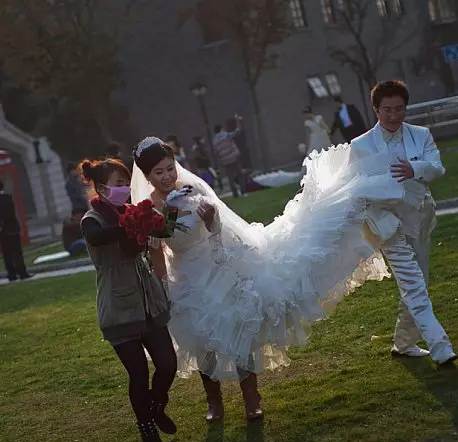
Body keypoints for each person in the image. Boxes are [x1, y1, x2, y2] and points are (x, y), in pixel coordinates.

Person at [130, 137, 395, 422]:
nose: (168, 176)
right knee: (202, 341)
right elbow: (158, 253)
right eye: (159, 172)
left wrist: (211, 221)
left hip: (218, 265)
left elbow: (221, 228)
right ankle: (214, 401)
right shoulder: (147, 210)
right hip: (186, 277)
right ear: (147, 176)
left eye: (170, 168)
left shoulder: (192, 191)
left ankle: (251, 398)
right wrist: (164, 286)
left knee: (241, 328)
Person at [349, 80, 457, 365]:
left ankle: (403, 343)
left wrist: (415, 169)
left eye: (399, 109)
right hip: (386, 223)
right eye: (387, 110)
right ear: (375, 109)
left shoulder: (421, 135)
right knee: (413, 283)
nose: (394, 116)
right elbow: (354, 188)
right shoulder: (360, 146)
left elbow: (437, 169)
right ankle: (441, 347)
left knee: (420, 278)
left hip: (420, 217)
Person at [79, 158, 176, 442]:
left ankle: (156, 407)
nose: (123, 188)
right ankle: (148, 434)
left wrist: (168, 217)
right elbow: (97, 237)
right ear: (101, 187)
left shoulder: (133, 212)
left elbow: (164, 232)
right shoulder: (92, 219)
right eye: (117, 183)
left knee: (167, 363)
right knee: (138, 374)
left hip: (147, 298)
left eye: (125, 182)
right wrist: (129, 224)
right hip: (119, 304)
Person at [0, 179, 31, 282]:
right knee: (17, 253)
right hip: (12, 229)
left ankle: (11, 274)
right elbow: (10, 213)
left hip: (2, 232)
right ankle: (22, 273)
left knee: (7, 254)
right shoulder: (8, 198)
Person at [212, 115, 246, 198]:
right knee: (239, 174)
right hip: (234, 157)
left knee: (230, 177)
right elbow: (237, 131)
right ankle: (243, 191)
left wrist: (220, 162)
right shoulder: (226, 135)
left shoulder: (214, 141)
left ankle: (235, 194)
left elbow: (216, 153)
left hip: (225, 161)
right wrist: (238, 121)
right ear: (221, 129)